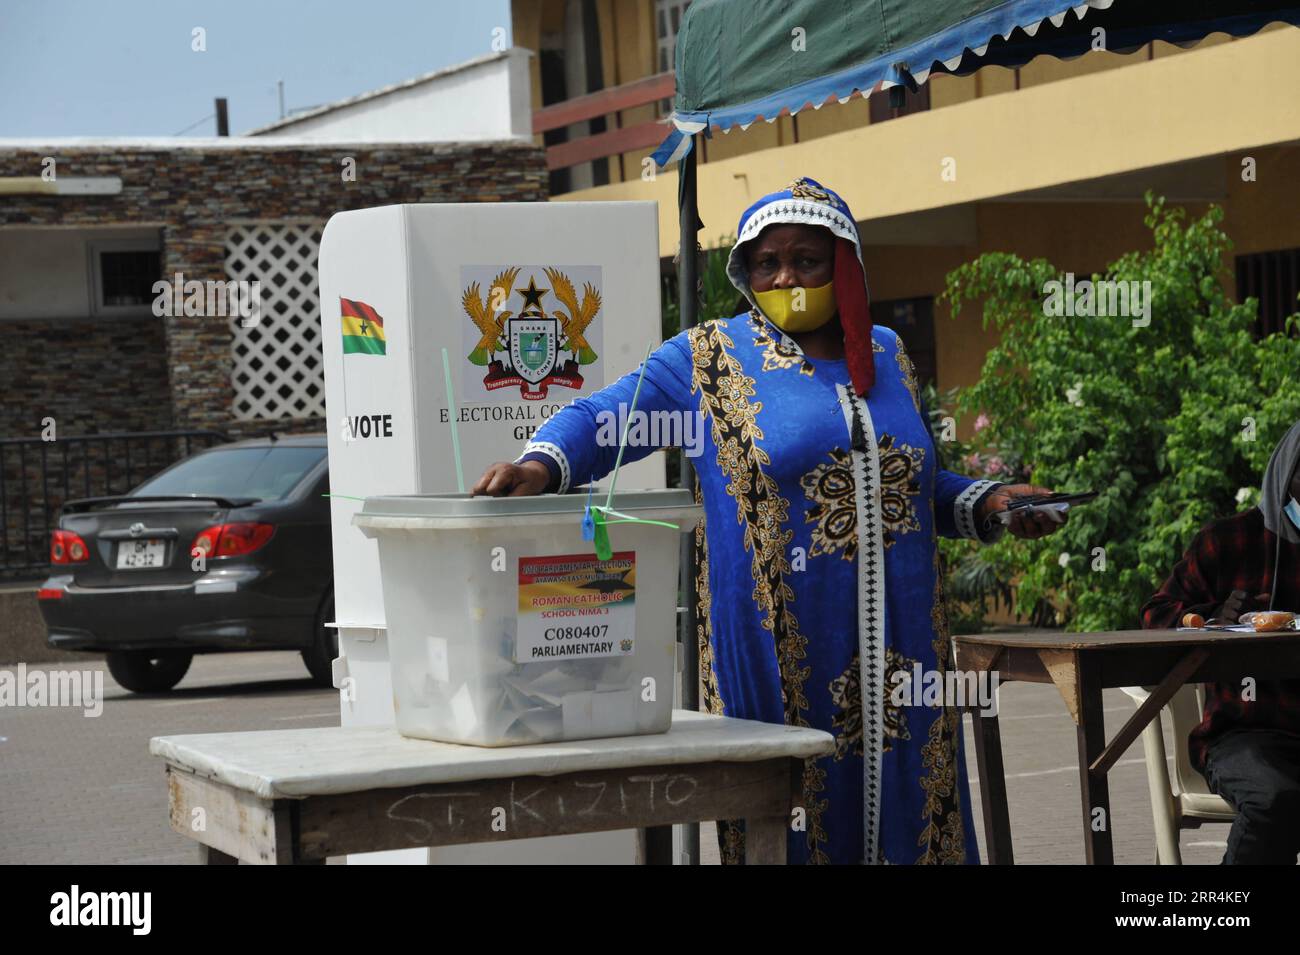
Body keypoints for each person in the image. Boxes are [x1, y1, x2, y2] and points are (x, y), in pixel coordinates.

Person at [474, 177, 1066, 864]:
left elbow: (906, 483)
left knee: (914, 823)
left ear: (844, 264)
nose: (785, 276)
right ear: (746, 271)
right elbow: (600, 417)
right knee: (790, 825)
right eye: (766, 262)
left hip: (906, 653)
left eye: (806, 260)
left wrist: (992, 502)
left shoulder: (886, 354)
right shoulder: (707, 361)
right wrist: (541, 464)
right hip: (780, 649)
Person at [1141, 421, 1300, 864]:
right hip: (1247, 731)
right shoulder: (1230, 541)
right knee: (1276, 801)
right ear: (1289, 476)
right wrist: (1205, 618)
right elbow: (1156, 613)